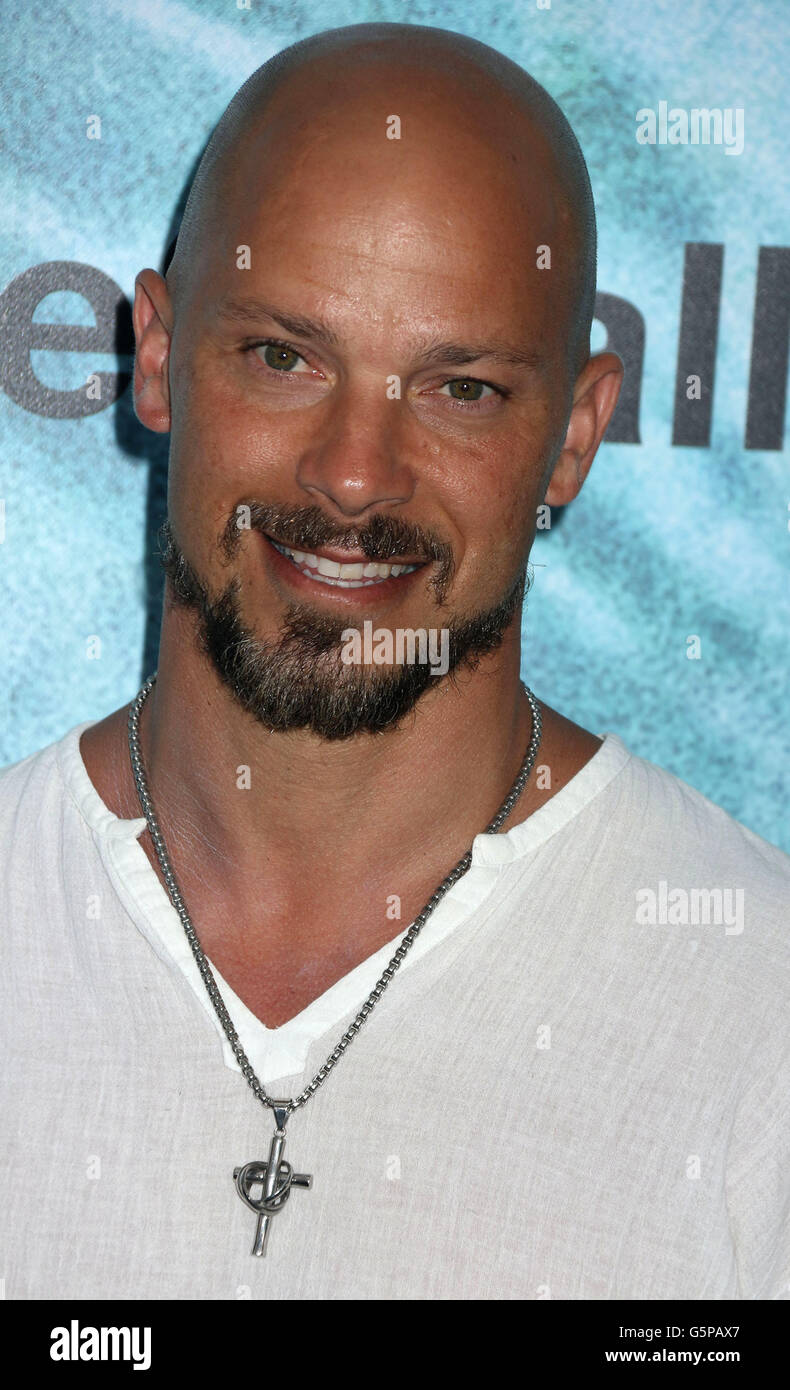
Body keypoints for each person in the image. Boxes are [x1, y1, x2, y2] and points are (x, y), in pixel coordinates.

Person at [1, 22, 787, 1301]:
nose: (354, 474)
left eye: (459, 387)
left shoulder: (761, 1018)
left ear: (577, 435)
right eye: (281, 356)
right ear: (155, 354)